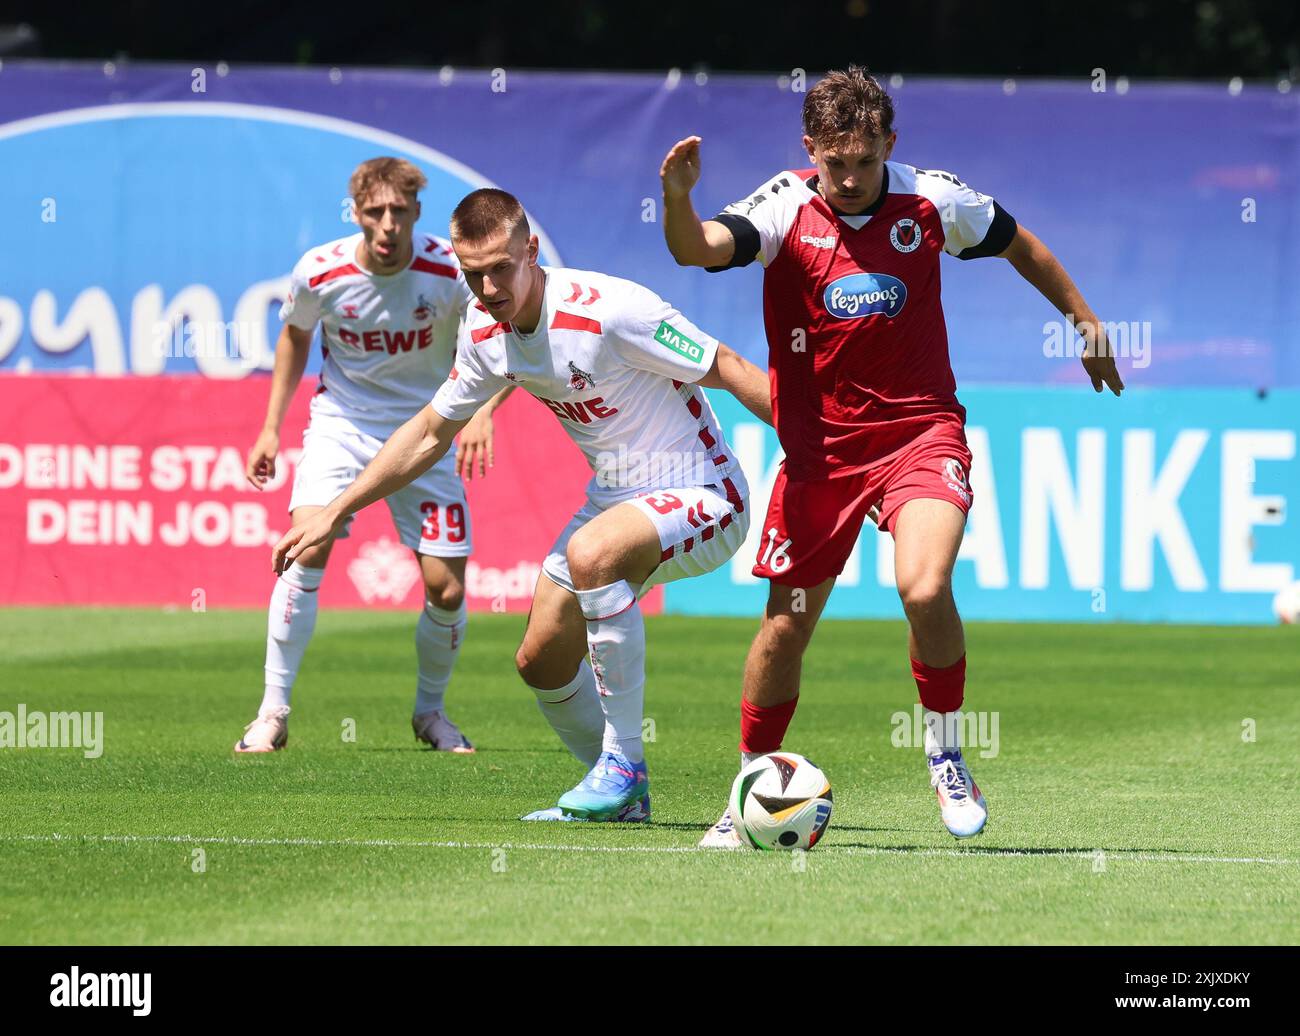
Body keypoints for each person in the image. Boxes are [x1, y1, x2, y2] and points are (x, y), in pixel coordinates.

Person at [660, 66, 1124, 843]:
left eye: (864, 162)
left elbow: (1023, 246)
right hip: (821, 456)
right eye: (833, 163)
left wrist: (1085, 321)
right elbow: (700, 250)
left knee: (923, 583)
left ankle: (944, 754)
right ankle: (750, 786)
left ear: (889, 147)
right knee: (786, 628)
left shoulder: (933, 199)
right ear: (810, 150)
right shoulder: (782, 206)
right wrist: (678, 201)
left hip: (921, 432)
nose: (847, 179)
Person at [273, 188, 773, 821]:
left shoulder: (610, 310)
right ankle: (620, 794)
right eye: (471, 273)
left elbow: (725, 364)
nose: (487, 287)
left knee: (593, 555)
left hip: (706, 491)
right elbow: (429, 431)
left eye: (500, 268)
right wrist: (336, 508)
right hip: (614, 500)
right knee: (540, 660)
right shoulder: (484, 332)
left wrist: (827, 454)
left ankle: (624, 764)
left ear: (531, 252)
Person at [237, 157, 509, 754]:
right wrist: (269, 428)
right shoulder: (320, 272)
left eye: (398, 211)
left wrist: (483, 410)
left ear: (416, 211)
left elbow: (505, 332)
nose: (387, 224)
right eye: (374, 212)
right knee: (304, 550)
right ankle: (272, 713)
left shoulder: (450, 271)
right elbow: (295, 336)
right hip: (342, 426)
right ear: (356, 212)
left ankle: (430, 714)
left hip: (427, 432)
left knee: (447, 590)